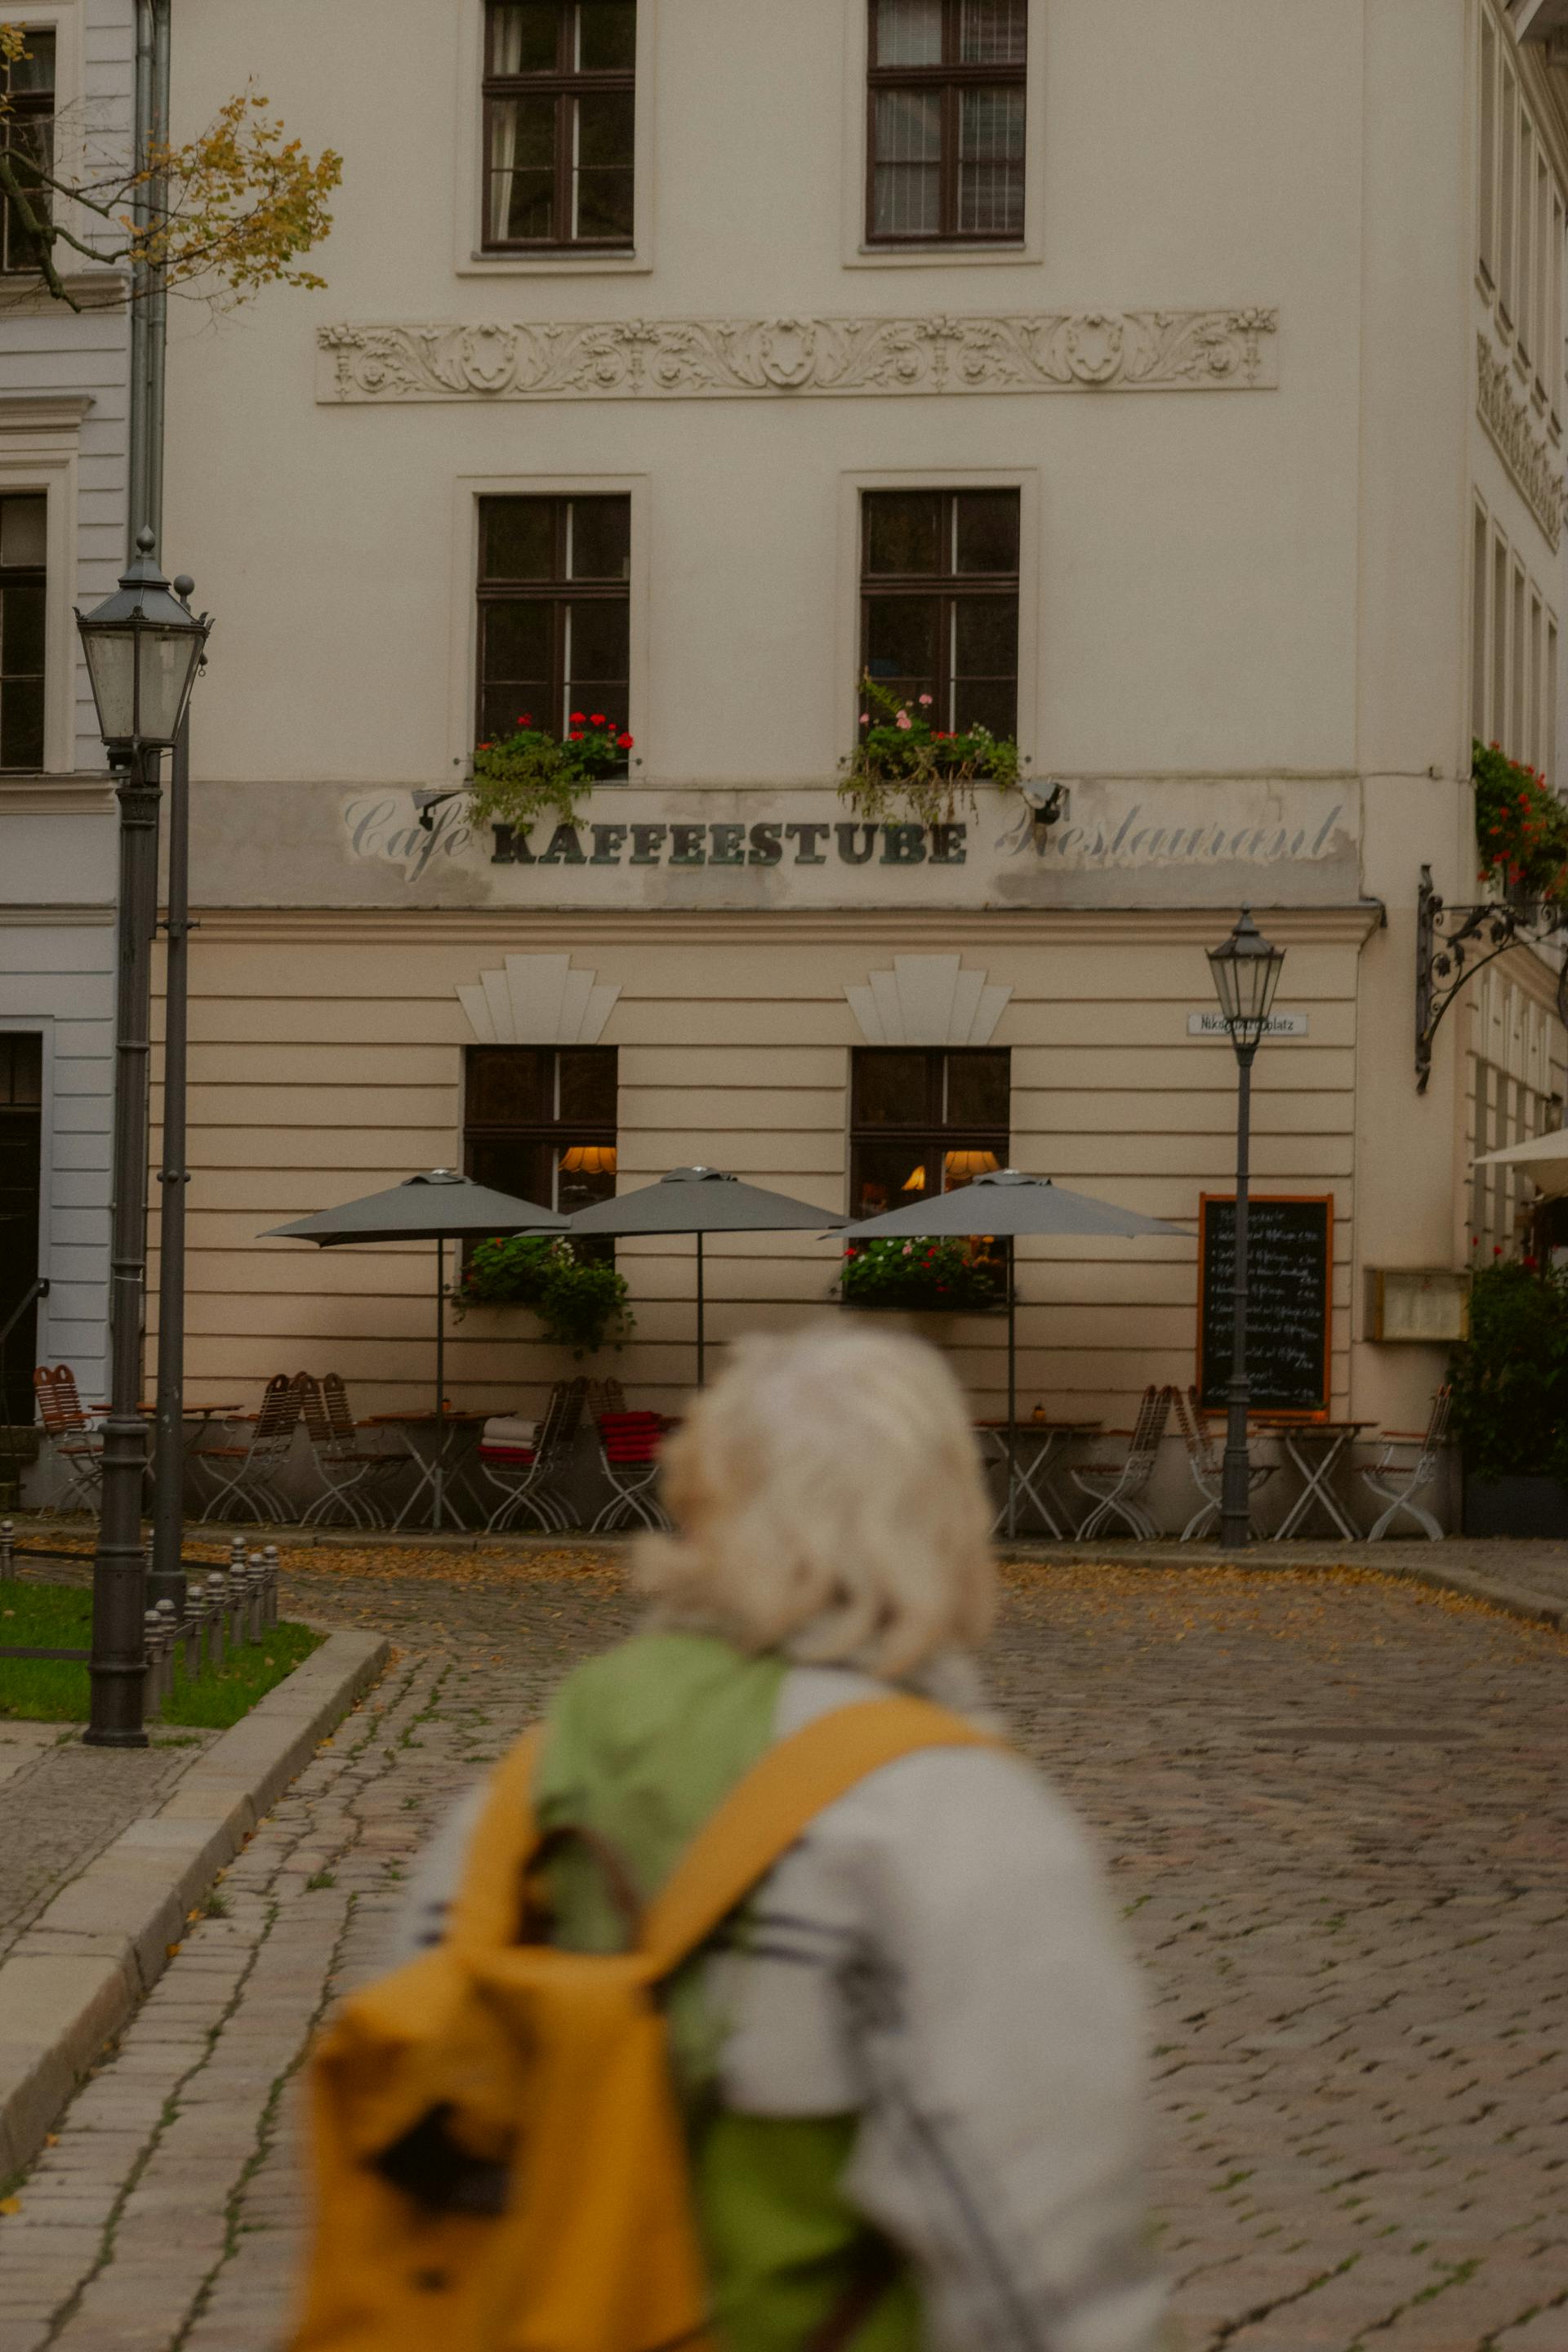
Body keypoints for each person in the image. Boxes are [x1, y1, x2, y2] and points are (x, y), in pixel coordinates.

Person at [398, 1325, 1167, 2351]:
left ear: (702, 1502)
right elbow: (1043, 2263)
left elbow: (411, 2105)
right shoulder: (945, 1815)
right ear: (943, 1516)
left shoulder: (532, 1782)